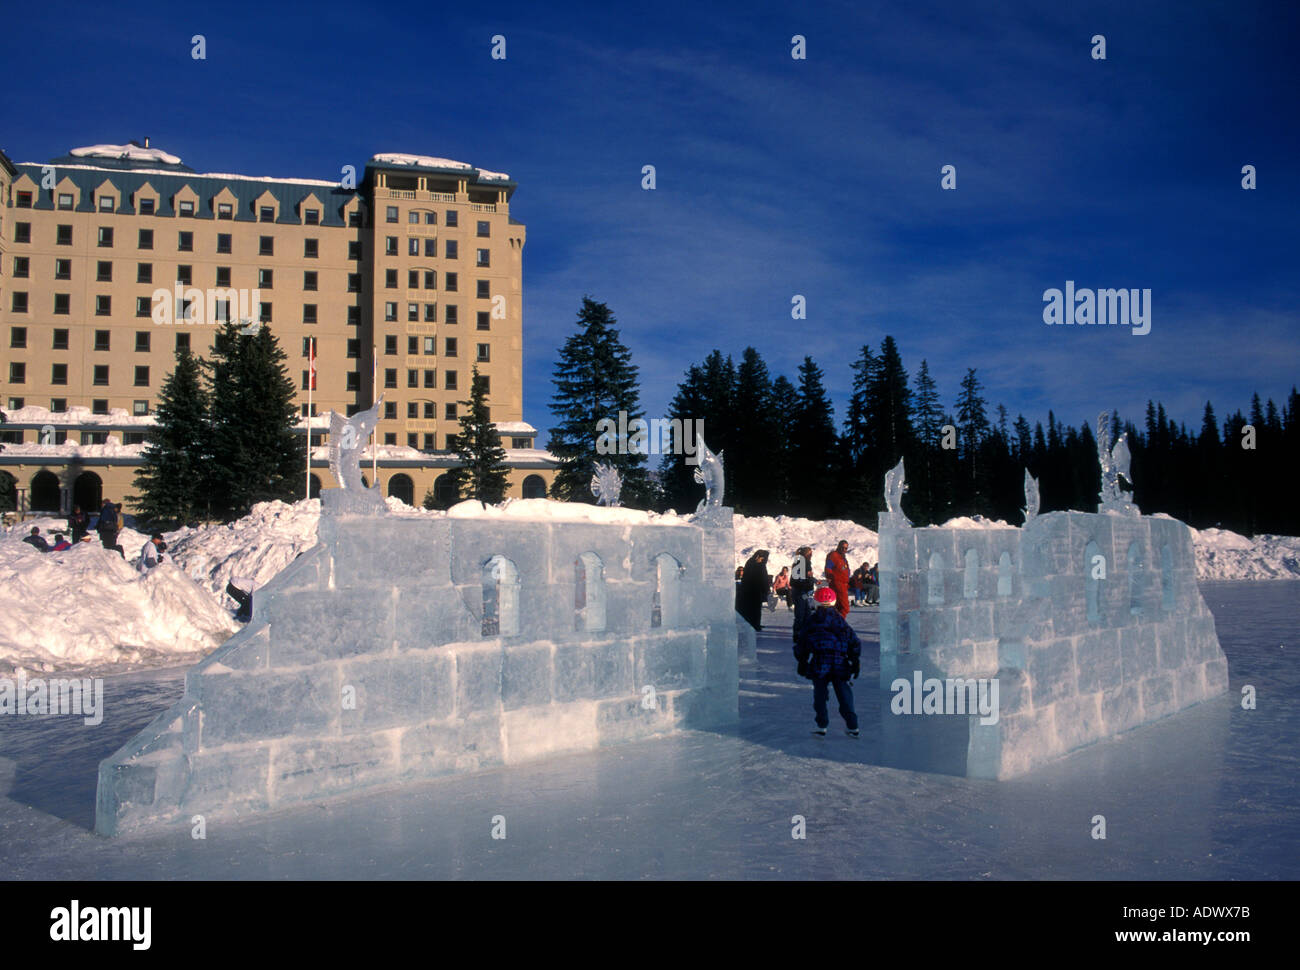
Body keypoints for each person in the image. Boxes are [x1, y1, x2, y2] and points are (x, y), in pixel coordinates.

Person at [794, 586, 862, 737]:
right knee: (844, 695)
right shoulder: (840, 621)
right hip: (840, 663)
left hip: (820, 663)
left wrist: (802, 660)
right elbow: (854, 642)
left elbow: (802, 643)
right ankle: (852, 726)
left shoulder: (811, 621)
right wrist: (855, 660)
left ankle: (822, 725)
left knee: (820, 696)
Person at [736, 549, 771, 632]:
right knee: (752, 608)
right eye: (763, 558)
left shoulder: (757, 564)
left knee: (756, 608)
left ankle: (755, 623)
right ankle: (753, 624)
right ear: (758, 556)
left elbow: (764, 578)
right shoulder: (752, 563)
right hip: (751, 590)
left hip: (756, 590)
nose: (764, 560)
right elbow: (758, 578)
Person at [789, 545, 816, 641]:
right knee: (801, 613)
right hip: (801, 591)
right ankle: (798, 634)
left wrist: (813, 581)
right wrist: (808, 582)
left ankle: (803, 632)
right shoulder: (803, 562)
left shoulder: (800, 562)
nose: (811, 555)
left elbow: (806, 576)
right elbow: (800, 578)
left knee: (806, 613)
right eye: (810, 553)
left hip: (802, 591)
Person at [824, 539, 852, 619]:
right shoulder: (833, 555)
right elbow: (828, 567)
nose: (844, 550)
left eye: (846, 548)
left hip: (844, 584)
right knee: (845, 607)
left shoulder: (843, 557)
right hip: (837, 583)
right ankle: (840, 622)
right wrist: (829, 576)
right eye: (842, 547)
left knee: (838, 606)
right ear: (838, 546)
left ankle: (834, 623)